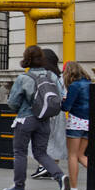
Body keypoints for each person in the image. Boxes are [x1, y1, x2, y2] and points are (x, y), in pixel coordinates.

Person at [3, 44, 68, 190]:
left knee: (20, 152)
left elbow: (12, 103)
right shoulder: (52, 76)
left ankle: (19, 186)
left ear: (27, 59)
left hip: (26, 119)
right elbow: (60, 94)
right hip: (45, 119)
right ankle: (60, 177)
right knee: (41, 153)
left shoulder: (23, 78)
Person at [29, 49, 67, 180]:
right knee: (55, 139)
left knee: (43, 138)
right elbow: (62, 94)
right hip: (57, 110)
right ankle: (52, 167)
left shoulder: (44, 74)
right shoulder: (58, 76)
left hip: (45, 110)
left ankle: (43, 166)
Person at [60, 61, 91, 190]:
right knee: (81, 155)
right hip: (90, 123)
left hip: (76, 122)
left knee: (72, 155)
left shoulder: (74, 86)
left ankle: (73, 188)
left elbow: (66, 107)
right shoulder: (91, 83)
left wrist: (62, 101)